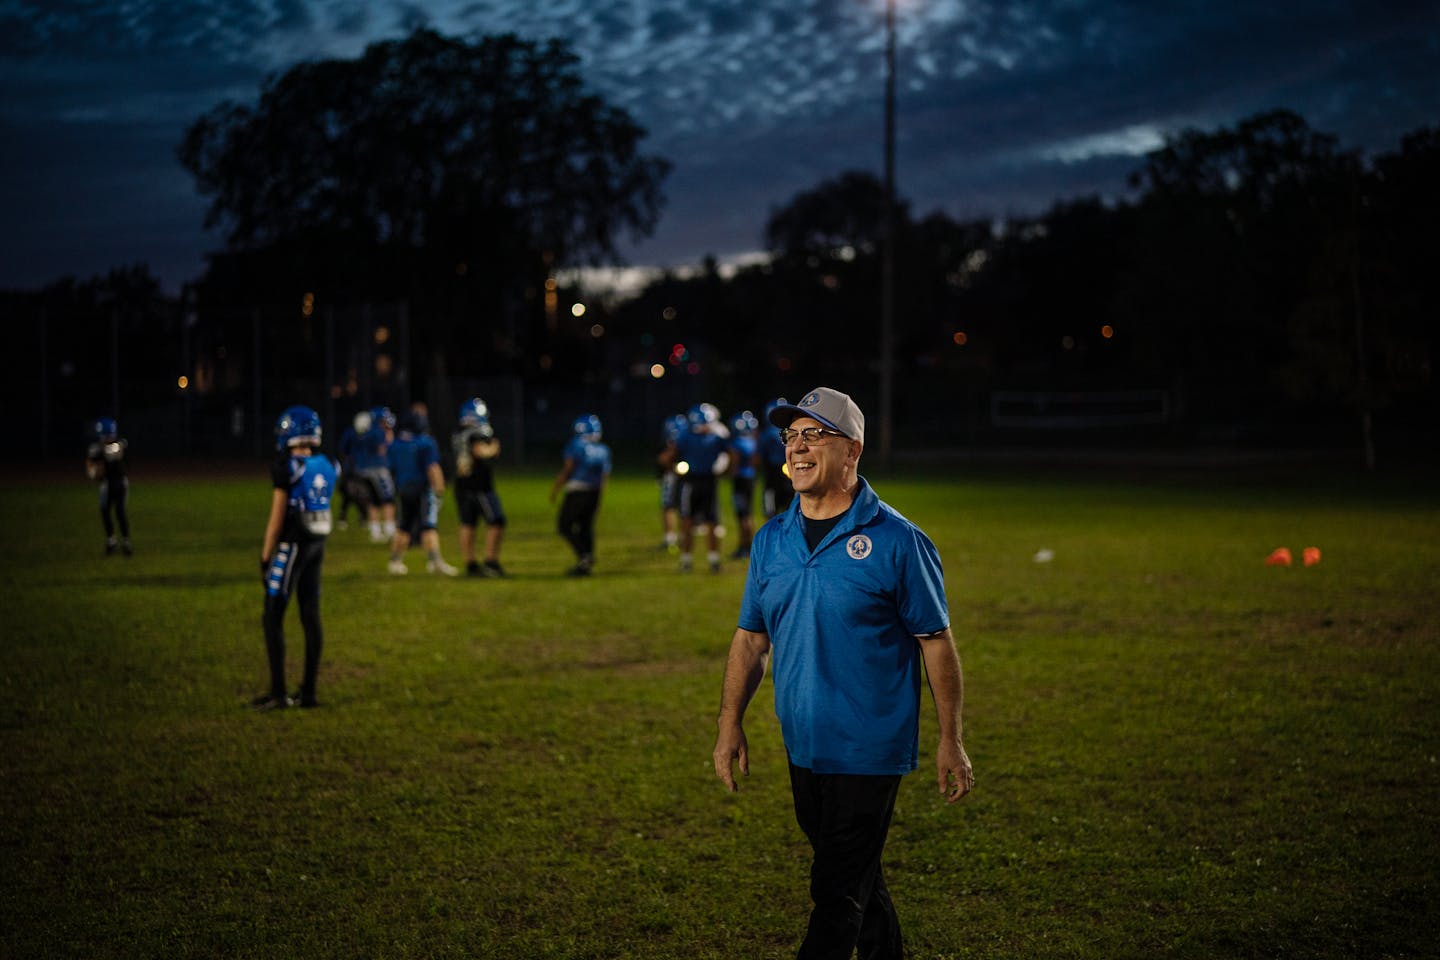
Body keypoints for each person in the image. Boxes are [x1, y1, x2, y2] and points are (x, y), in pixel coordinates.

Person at [712, 386, 974, 960]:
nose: (798, 448)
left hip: (870, 746)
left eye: (815, 435)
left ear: (852, 450)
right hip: (804, 743)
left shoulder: (899, 540)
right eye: (791, 436)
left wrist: (950, 740)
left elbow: (936, 642)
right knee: (856, 875)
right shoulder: (771, 539)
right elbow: (751, 639)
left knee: (834, 892)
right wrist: (730, 722)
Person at [256, 405, 337, 710]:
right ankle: (310, 691)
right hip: (318, 545)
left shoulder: (288, 466)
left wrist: (266, 556)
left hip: (292, 545)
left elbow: (277, 520)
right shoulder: (329, 464)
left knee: (272, 616)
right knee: (310, 614)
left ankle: (279, 693)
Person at [385, 403, 458, 576]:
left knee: (403, 527)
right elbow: (432, 467)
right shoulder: (426, 443)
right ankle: (435, 562)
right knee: (429, 526)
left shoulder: (396, 444)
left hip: (403, 489)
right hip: (423, 490)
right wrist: (439, 488)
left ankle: (395, 561)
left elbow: (391, 468)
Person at [663, 402, 730, 573]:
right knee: (690, 522)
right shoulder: (692, 437)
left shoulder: (712, 437)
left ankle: (706, 560)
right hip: (694, 481)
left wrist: (673, 468)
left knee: (706, 522)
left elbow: (667, 457)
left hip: (700, 481)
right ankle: (691, 560)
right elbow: (669, 456)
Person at [549, 413, 611, 576]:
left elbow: (569, 468)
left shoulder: (576, 444)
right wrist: (600, 498)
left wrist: (556, 487)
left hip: (577, 491)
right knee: (586, 527)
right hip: (594, 492)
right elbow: (604, 477)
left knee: (564, 526)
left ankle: (584, 556)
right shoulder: (603, 450)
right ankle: (586, 560)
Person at [452, 397, 507, 577]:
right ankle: (490, 562)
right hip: (479, 487)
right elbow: (481, 451)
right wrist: (494, 447)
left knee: (468, 524)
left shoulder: (458, 432)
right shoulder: (477, 433)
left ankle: (470, 564)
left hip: (462, 485)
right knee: (497, 521)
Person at [85, 416, 132, 556]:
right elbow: (91, 465)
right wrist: (93, 472)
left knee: (119, 511)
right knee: (105, 511)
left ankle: (125, 541)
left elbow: (111, 451)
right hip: (109, 483)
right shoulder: (101, 447)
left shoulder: (117, 445)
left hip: (118, 482)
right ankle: (112, 540)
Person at [356, 406, 398, 543]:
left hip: (365, 470)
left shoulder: (366, 432)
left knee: (374, 502)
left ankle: (375, 531)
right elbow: (383, 450)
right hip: (378, 469)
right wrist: (389, 439)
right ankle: (390, 529)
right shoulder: (378, 432)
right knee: (388, 499)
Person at [728, 410, 760, 559]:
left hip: (740, 480)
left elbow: (733, 463)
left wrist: (730, 473)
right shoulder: (753, 442)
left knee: (742, 515)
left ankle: (745, 546)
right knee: (748, 514)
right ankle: (748, 545)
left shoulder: (736, 443)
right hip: (751, 479)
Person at [335, 410, 375, 530]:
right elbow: (343, 450)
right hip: (351, 469)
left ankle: (363, 517)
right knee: (348, 493)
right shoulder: (350, 433)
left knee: (363, 494)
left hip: (364, 469)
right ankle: (343, 517)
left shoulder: (370, 435)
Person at [656, 413, 688, 553]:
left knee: (679, 508)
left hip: (682, 477)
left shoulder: (686, 441)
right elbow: (662, 459)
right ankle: (671, 538)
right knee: (670, 506)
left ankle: (678, 537)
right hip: (672, 476)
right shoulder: (673, 442)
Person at [759, 397, 794, 520]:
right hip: (790, 470)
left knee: (771, 508)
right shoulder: (793, 430)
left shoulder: (767, 433)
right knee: (790, 506)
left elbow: (760, 454)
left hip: (773, 472)